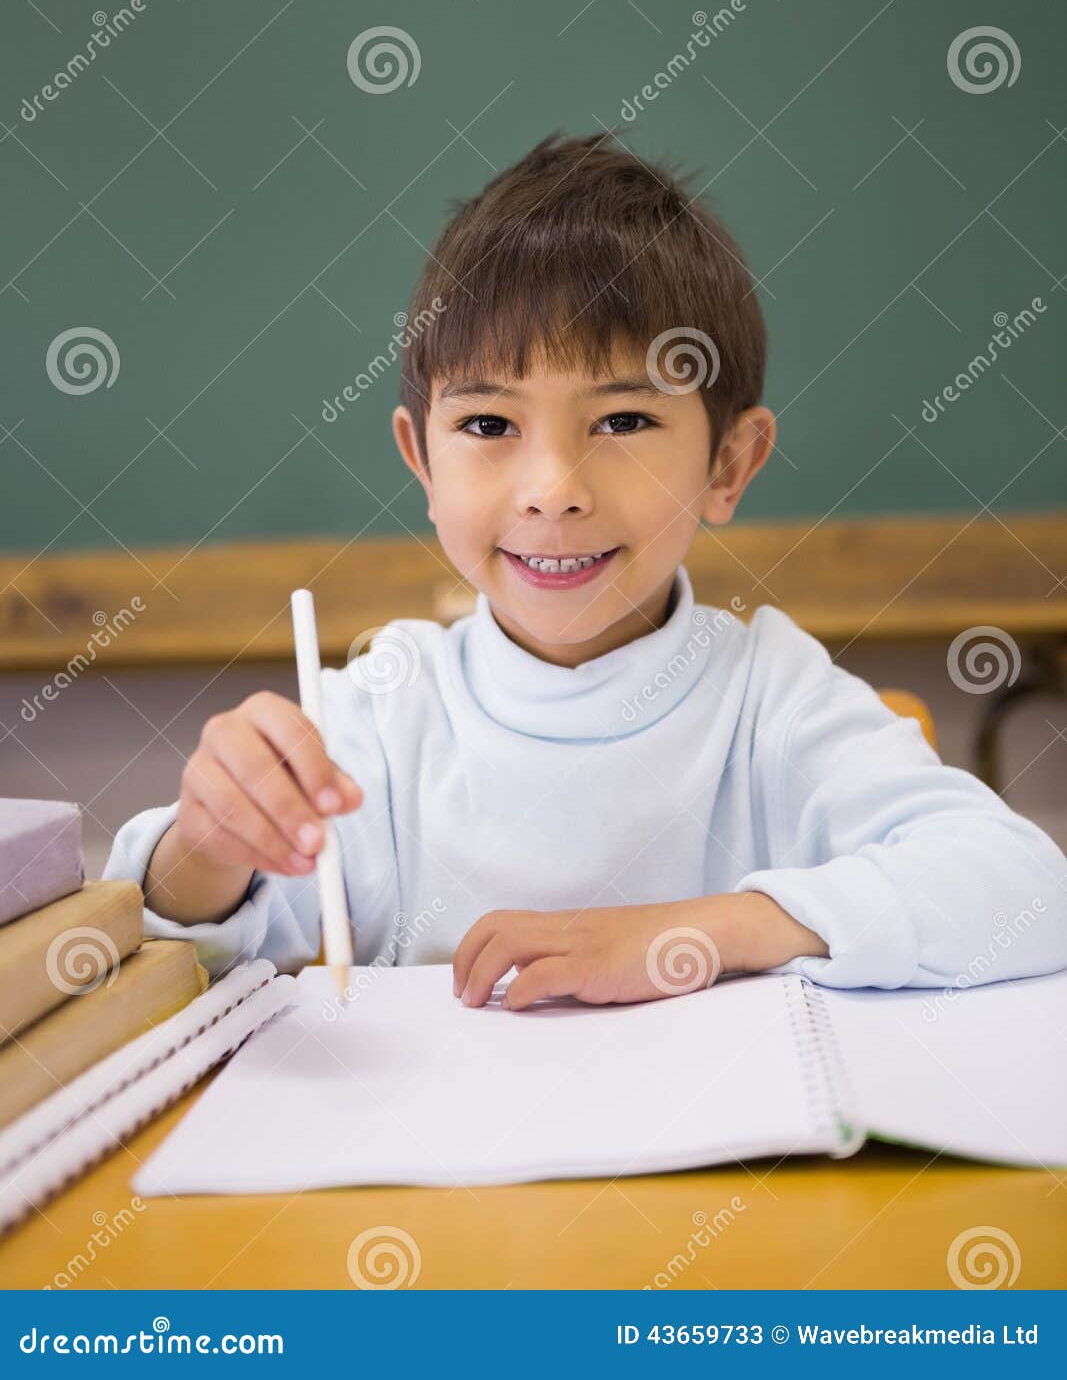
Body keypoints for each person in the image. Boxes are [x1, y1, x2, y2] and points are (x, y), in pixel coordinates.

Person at [104, 131, 1067, 1009]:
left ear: (728, 464)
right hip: (444, 1194)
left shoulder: (770, 699)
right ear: (422, 461)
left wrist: (698, 933)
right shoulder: (387, 712)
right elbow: (175, 940)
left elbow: (1028, 891)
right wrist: (209, 844)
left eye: (623, 422)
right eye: (487, 426)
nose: (552, 490)